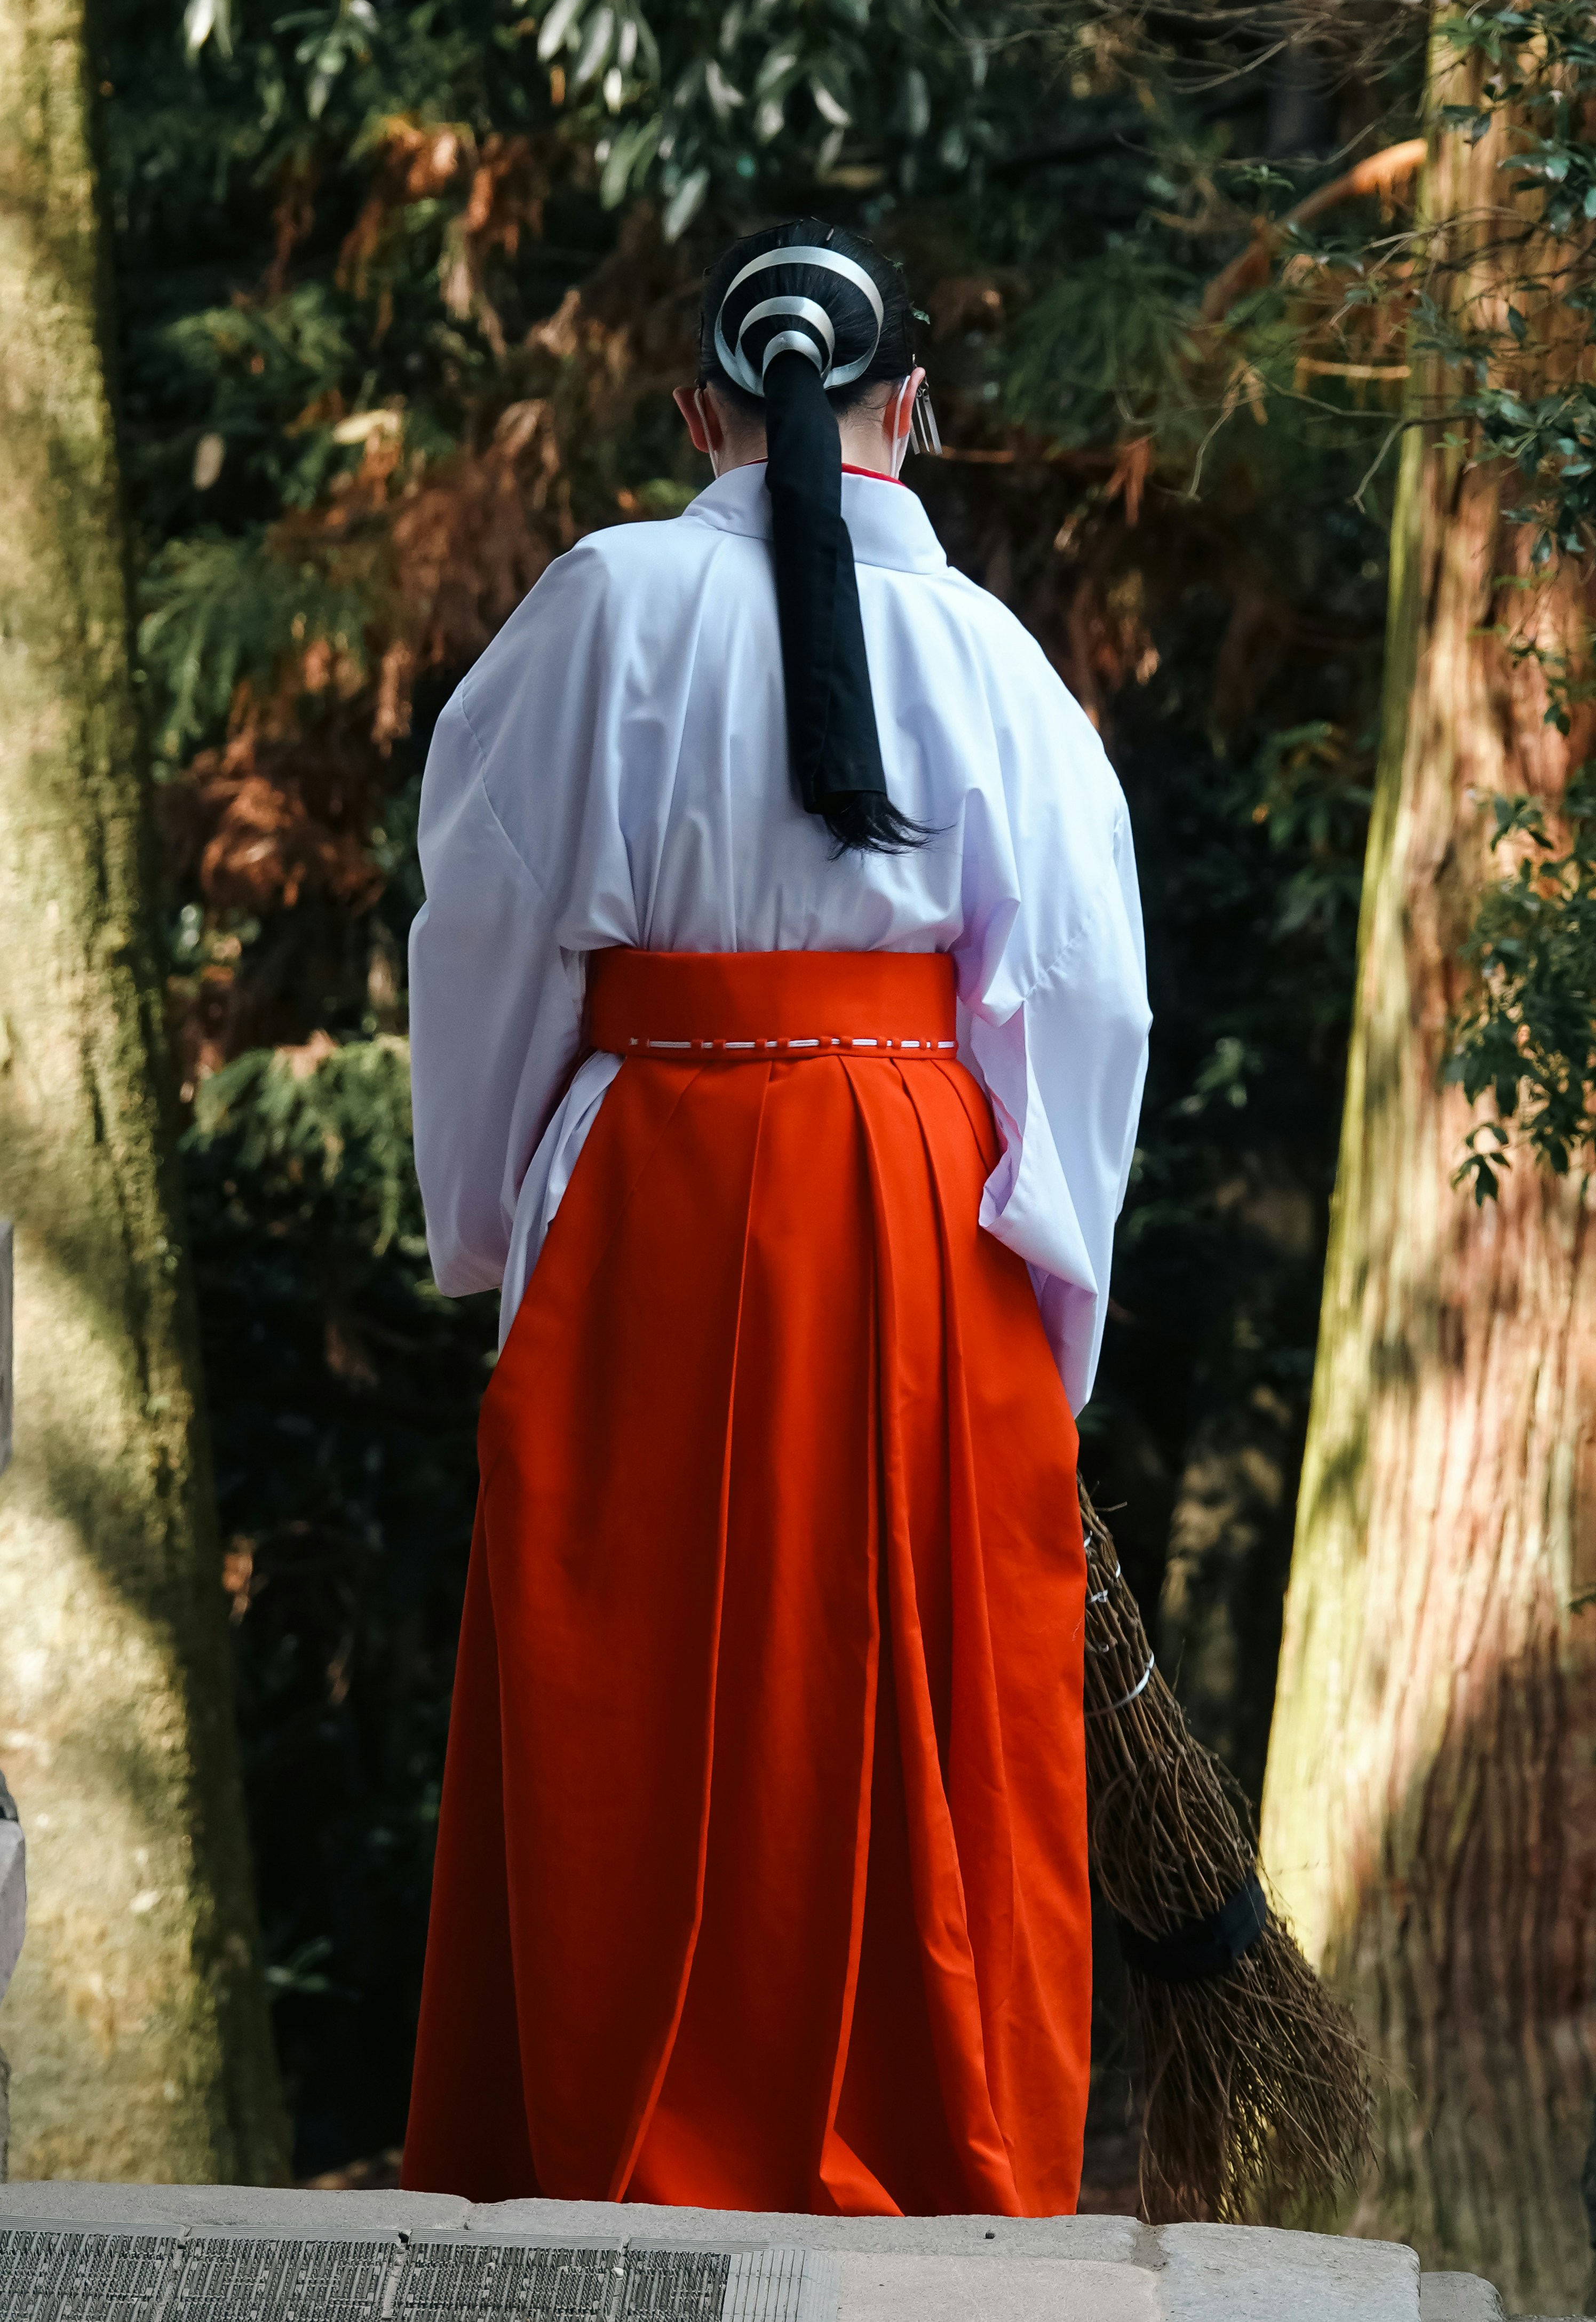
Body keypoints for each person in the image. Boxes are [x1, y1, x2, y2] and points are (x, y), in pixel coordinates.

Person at [401, 217, 1150, 2217]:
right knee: (902, 1670)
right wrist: (1046, 1301)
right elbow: (1078, 992)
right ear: (917, 407)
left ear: (694, 412)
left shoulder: (601, 604)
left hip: (653, 1173)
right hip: (920, 1200)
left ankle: (617, 2135)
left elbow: (482, 919)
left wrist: (489, 1207)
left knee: (630, 1657)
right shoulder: (994, 655)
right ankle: (931, 2138)